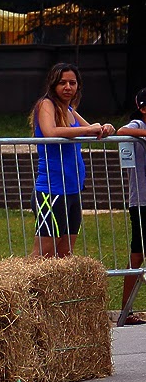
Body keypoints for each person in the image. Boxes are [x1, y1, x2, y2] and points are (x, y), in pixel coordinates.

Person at [29, 62, 113, 259]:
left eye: (72, 83)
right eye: (63, 83)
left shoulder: (69, 110)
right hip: (52, 190)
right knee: (44, 252)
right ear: (53, 85)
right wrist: (88, 129)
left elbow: (94, 130)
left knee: (65, 253)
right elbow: (50, 132)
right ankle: (26, 289)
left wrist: (106, 128)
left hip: (73, 190)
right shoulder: (46, 104)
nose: (68, 87)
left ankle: (57, 291)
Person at [115, 87, 146, 325]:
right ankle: (127, 310)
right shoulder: (136, 126)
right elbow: (122, 130)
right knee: (137, 253)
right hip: (141, 201)